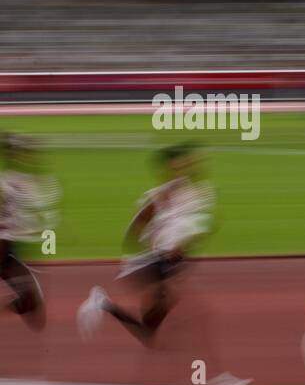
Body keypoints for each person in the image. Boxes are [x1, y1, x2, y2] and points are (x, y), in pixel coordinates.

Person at [78, 142, 216, 345]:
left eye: (187, 165)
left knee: (147, 332)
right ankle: (215, 371)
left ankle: (103, 304)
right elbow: (135, 230)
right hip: (151, 261)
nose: (184, 171)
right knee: (200, 313)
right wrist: (155, 249)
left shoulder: (193, 194)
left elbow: (193, 229)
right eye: (179, 166)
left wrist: (187, 243)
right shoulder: (157, 197)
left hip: (171, 263)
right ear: (168, 168)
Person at [0, 132, 58, 332]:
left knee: (33, 307)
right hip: (3, 249)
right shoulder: (6, 185)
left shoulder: (15, 180)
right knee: (33, 308)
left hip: (9, 249)